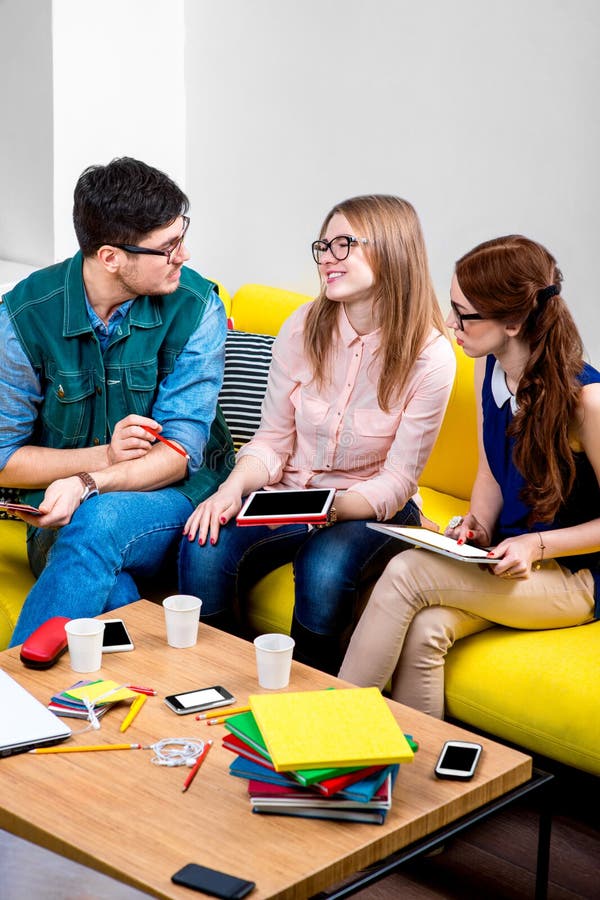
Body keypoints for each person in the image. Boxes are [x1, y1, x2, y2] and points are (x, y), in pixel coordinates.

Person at [178, 194, 456, 673]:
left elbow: (397, 481)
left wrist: (327, 509)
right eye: (323, 245)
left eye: (343, 244)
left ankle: (308, 704)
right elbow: (272, 440)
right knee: (203, 542)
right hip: (285, 494)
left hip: (366, 505)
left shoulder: (430, 358)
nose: (326, 257)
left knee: (324, 569)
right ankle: (209, 681)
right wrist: (231, 490)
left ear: (391, 250)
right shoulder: (301, 327)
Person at [339, 235, 600, 717]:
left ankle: (327, 736)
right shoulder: (489, 369)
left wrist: (536, 546)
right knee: (425, 630)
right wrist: (475, 524)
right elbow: (490, 471)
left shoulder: (587, 402)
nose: (450, 324)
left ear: (514, 322)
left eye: (464, 315)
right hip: (506, 560)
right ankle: (420, 783)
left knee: (405, 571)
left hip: (576, 578)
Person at [4, 157, 233, 646]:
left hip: (178, 501)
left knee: (100, 517)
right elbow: (5, 463)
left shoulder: (198, 307)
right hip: (62, 514)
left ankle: (14, 701)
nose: (184, 254)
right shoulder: (23, 317)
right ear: (111, 256)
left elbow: (180, 454)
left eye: (181, 235)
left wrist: (90, 483)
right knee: (114, 594)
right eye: (167, 246)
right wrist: (103, 458)